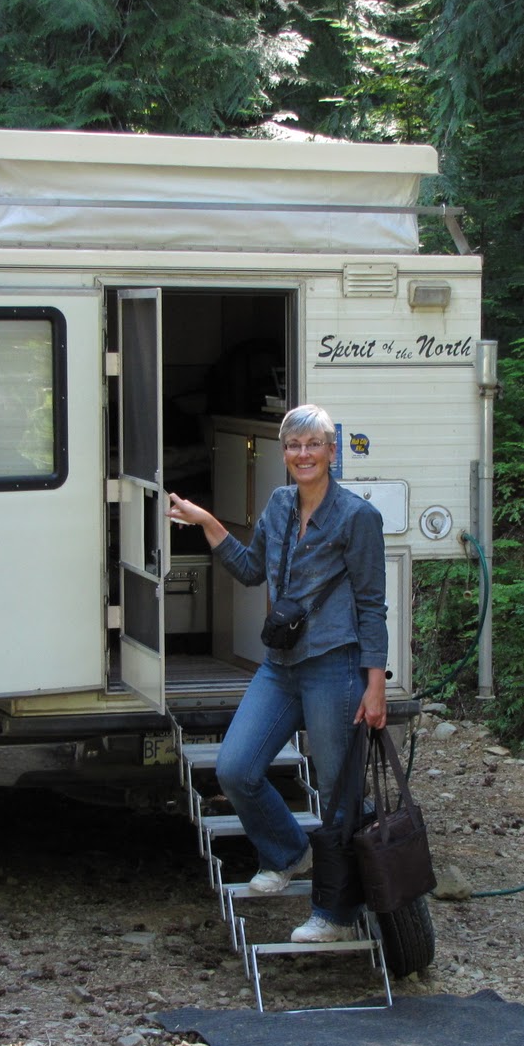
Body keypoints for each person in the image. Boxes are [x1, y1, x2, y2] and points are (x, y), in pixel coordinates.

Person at [166, 403, 387, 942]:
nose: (302, 455)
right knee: (236, 767)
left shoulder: (358, 517)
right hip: (281, 665)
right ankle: (288, 852)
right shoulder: (280, 504)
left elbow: (373, 606)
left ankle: (334, 914)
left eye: (313, 445)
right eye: (293, 446)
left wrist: (375, 684)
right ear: (283, 453)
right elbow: (248, 570)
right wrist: (208, 522)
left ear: (332, 452)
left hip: (334, 665)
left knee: (337, 793)